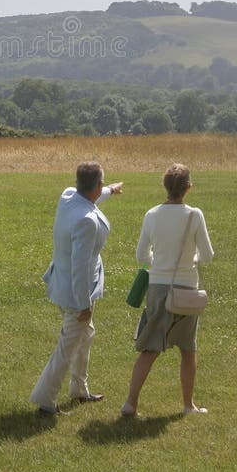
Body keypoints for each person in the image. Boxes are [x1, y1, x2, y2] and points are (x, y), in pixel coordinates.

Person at [121, 163, 214, 417]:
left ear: (165, 186)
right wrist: (191, 261)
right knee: (188, 349)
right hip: (187, 290)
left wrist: (160, 264)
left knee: (149, 349)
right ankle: (188, 405)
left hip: (157, 288)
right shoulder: (195, 215)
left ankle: (130, 403)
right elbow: (207, 254)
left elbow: (141, 254)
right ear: (188, 188)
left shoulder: (151, 214)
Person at [30, 161, 123, 414]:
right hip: (76, 294)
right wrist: (83, 305)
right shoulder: (87, 222)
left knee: (85, 335)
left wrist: (110, 190)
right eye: (102, 184)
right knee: (68, 346)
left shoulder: (68, 196)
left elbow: (88, 197)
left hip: (60, 284)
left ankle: (79, 389)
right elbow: (80, 267)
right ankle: (45, 400)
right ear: (97, 184)